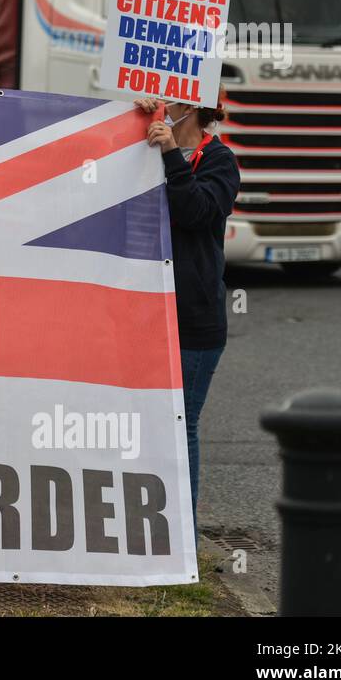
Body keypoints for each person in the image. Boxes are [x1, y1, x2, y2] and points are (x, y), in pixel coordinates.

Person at [136, 94, 240, 538]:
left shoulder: (220, 161)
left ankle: (182, 535)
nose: (163, 105)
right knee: (141, 419)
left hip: (194, 317)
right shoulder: (148, 151)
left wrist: (172, 158)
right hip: (143, 312)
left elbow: (196, 212)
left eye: (171, 99)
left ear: (193, 108)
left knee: (182, 423)